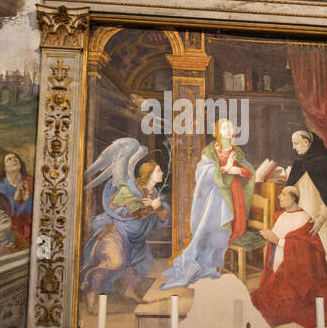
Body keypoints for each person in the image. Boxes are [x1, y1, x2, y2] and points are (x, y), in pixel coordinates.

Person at [161, 118, 255, 289]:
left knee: (231, 229)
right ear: (218, 131)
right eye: (224, 127)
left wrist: (238, 170)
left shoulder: (237, 152)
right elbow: (201, 174)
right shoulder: (210, 151)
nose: (228, 130)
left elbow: (250, 173)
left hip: (234, 196)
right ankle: (207, 265)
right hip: (216, 197)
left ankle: (219, 262)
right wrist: (225, 168)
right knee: (210, 229)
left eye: (230, 127)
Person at [251, 185, 327, 328]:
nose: (279, 197)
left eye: (284, 194)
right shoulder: (281, 216)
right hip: (280, 270)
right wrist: (272, 239)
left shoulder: (304, 218)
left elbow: (304, 249)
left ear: (294, 199)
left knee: (282, 308)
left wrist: (276, 240)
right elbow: (277, 239)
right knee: (265, 301)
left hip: (298, 275)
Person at [82, 151, 168, 308]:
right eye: (158, 171)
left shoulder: (154, 192)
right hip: (117, 233)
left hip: (134, 238)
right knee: (116, 262)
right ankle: (92, 290)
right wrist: (150, 208)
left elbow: (161, 216)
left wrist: (158, 209)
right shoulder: (129, 190)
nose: (162, 173)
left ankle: (130, 290)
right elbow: (130, 213)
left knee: (137, 262)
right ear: (149, 174)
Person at [282, 129, 327, 298]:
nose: (293, 147)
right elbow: (295, 190)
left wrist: (321, 217)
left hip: (324, 219)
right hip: (303, 218)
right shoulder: (299, 162)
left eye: (296, 143)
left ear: (307, 142)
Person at [0, 151, 34, 241]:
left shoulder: (31, 181)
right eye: (9, 159)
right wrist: (14, 200)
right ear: (4, 167)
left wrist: (27, 199)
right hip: (8, 230)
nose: (14, 160)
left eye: (15, 158)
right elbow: (2, 214)